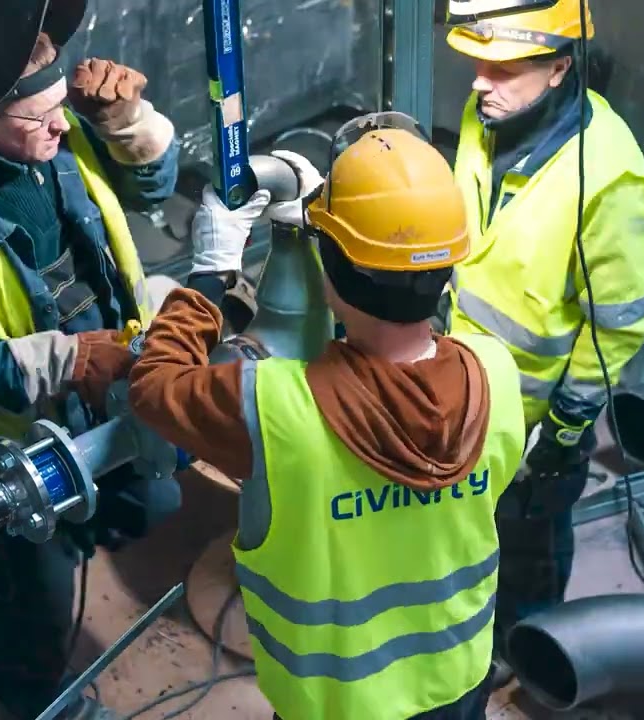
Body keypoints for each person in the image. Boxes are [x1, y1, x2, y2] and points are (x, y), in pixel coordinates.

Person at [128, 114, 528, 720]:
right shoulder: (496, 371)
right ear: (446, 271)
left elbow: (154, 385)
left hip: (333, 702)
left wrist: (210, 273)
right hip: (457, 673)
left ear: (333, 273)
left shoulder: (271, 404)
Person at [0, 1, 182, 717]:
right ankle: (34, 701)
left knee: (158, 497)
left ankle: (84, 531)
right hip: (14, 460)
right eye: (38, 118)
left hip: (103, 400)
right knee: (34, 605)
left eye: (61, 109)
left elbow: (156, 187)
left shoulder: (61, 137)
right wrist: (67, 359)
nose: (59, 125)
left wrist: (128, 123)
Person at [442, 0, 644, 683]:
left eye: (503, 67)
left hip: (535, 411)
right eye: (478, 61)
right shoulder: (489, 116)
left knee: (530, 535)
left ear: (561, 65)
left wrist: (566, 427)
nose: (481, 81)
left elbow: (617, 324)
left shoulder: (609, 176)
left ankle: (522, 646)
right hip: (459, 379)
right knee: (463, 521)